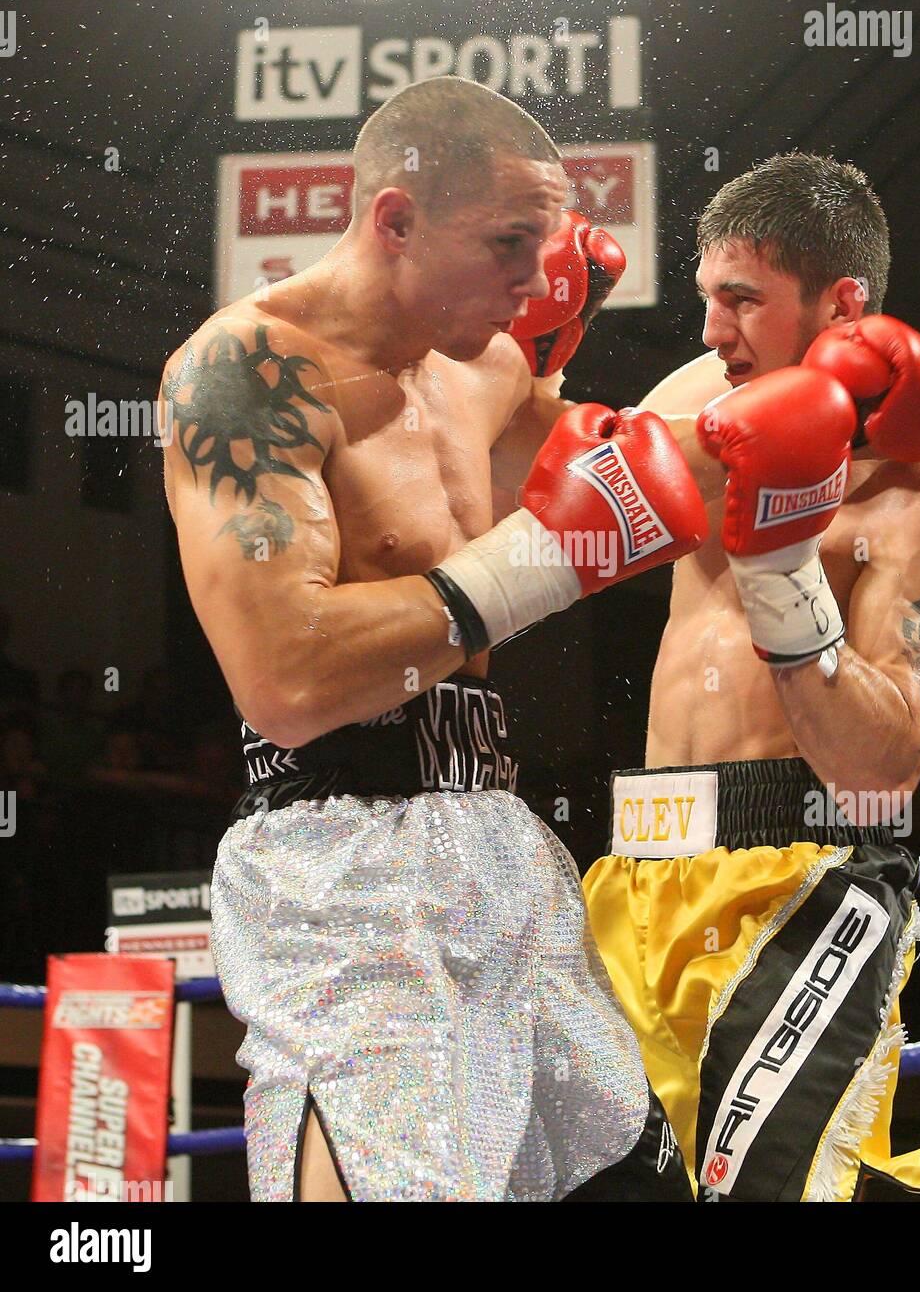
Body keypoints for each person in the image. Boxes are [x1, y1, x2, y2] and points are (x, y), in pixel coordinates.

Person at [161, 75, 705, 1201]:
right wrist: (536, 565)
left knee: (632, 1185)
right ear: (393, 220)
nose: (531, 276)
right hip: (339, 858)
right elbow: (288, 678)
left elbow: (670, 470)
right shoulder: (248, 377)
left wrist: (831, 393)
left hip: (496, 833)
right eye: (508, 241)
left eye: (543, 246)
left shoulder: (488, 366)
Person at [582, 152, 920, 1201]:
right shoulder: (696, 398)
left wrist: (780, 557)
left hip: (803, 874)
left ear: (840, 302)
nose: (712, 330)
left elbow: (882, 764)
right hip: (635, 873)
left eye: (742, 300)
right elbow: (552, 524)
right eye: (706, 298)